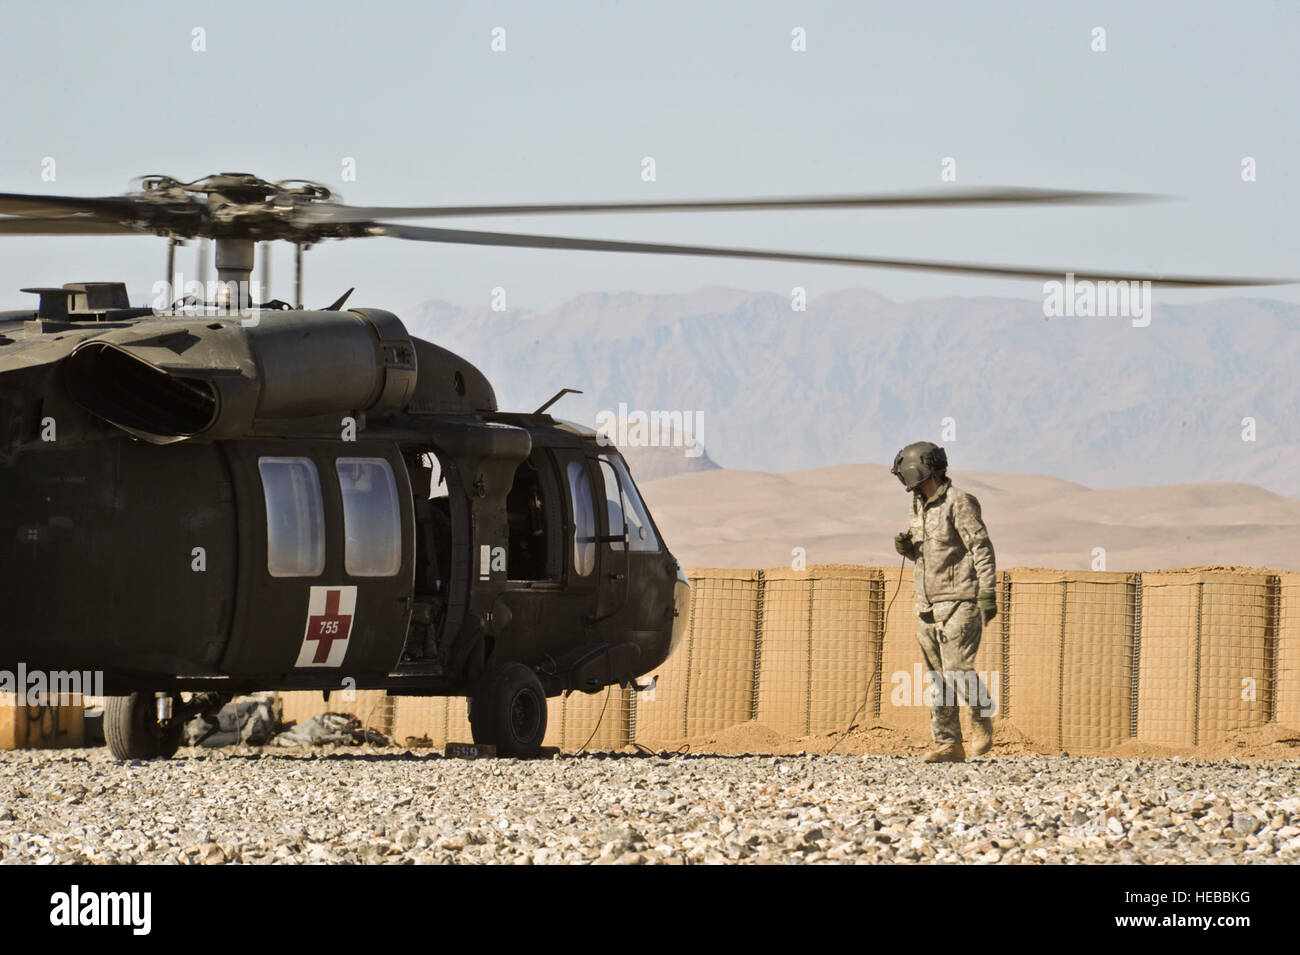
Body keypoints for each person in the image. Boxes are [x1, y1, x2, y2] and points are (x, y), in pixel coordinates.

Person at [891, 441, 997, 763]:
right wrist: (907, 549)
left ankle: (981, 721)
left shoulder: (959, 502)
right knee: (937, 677)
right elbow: (929, 555)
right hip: (927, 605)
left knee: (957, 669)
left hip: (960, 601)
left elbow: (980, 547)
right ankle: (948, 743)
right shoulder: (919, 506)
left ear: (921, 470)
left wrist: (987, 592)